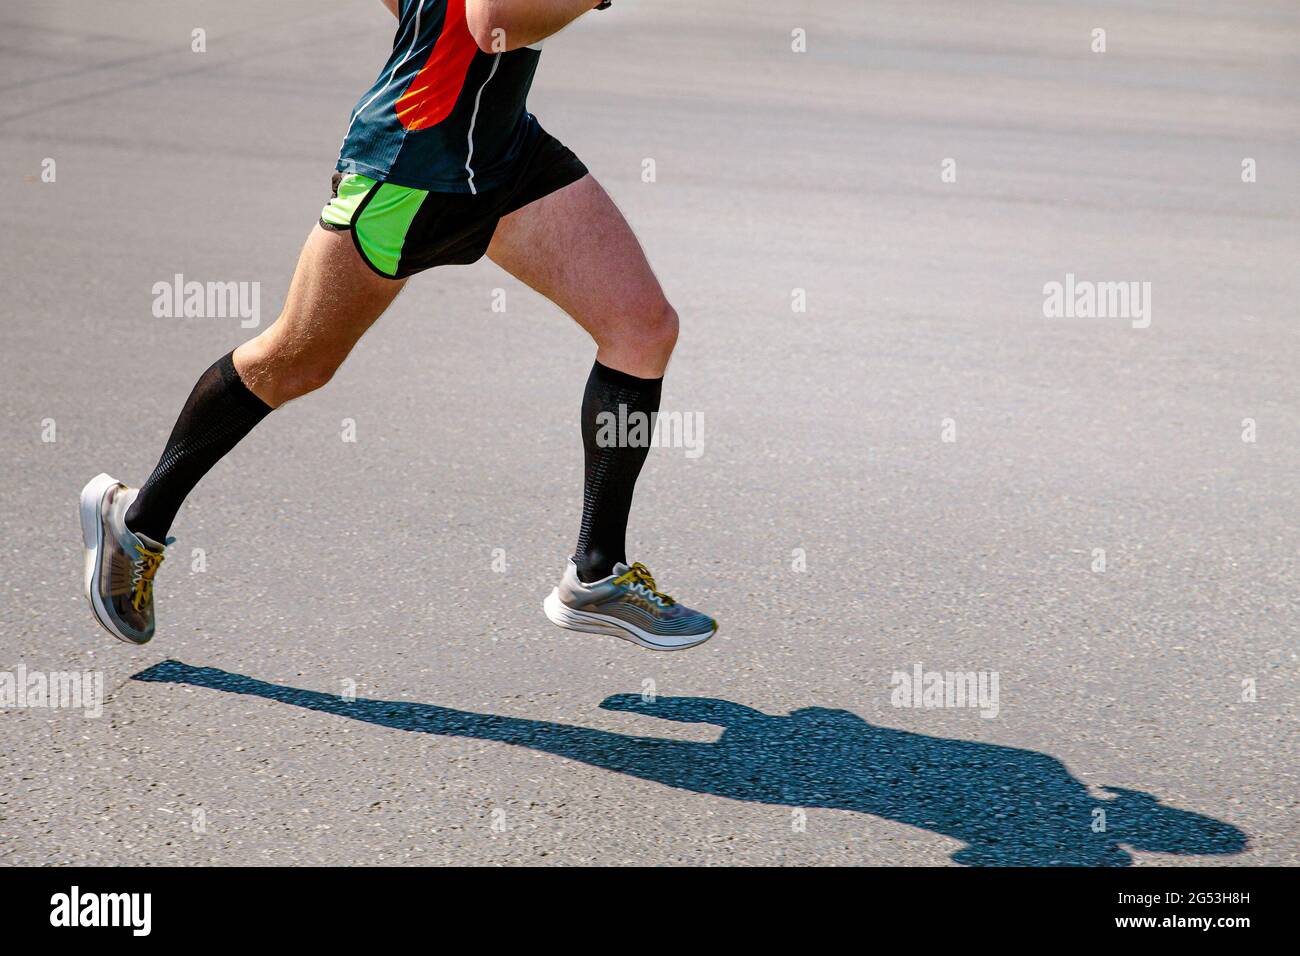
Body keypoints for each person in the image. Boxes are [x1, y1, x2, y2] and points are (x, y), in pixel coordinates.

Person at [79, 0, 716, 652]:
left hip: (502, 154)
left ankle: (596, 572)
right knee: (297, 360)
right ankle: (135, 520)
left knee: (642, 327)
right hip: (412, 167)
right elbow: (495, 23)